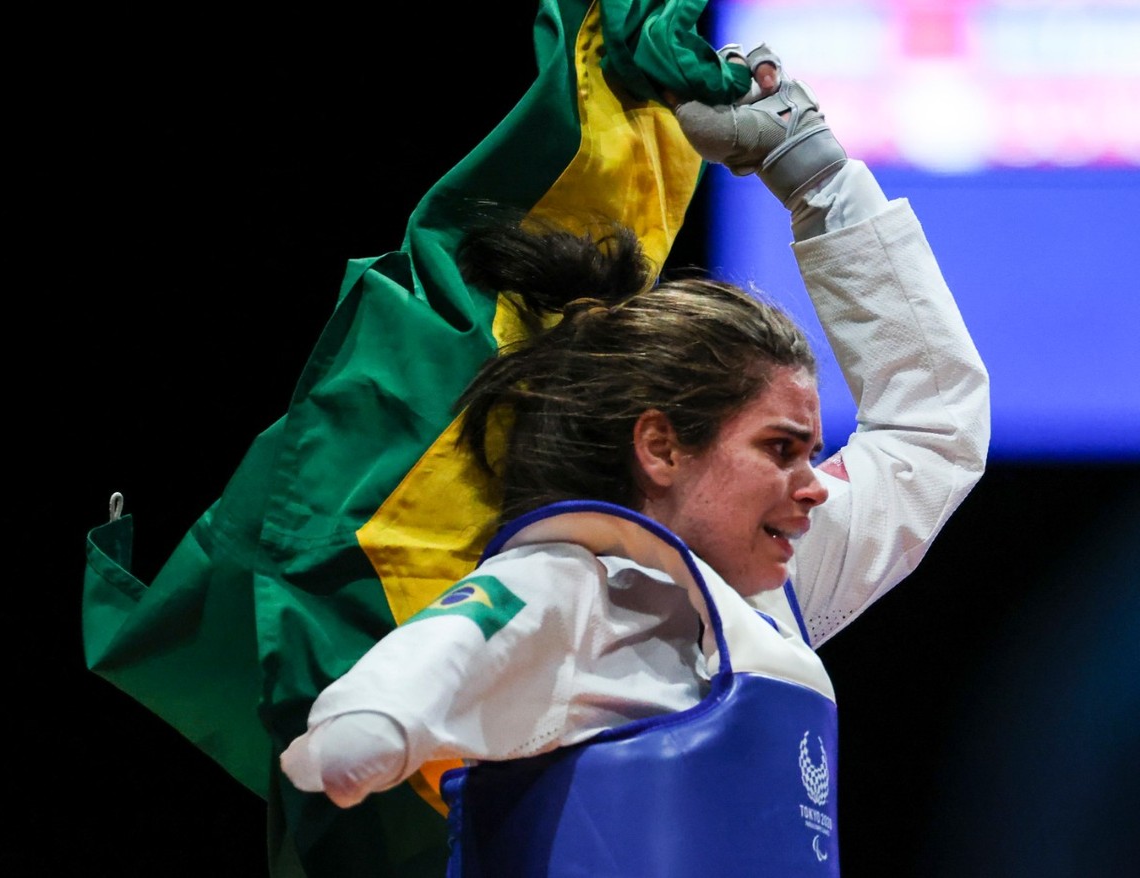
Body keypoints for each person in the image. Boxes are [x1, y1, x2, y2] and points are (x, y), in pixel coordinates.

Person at [279, 41, 990, 875]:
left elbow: (932, 427)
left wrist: (820, 180)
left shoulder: (775, 595)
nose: (811, 489)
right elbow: (439, 658)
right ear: (660, 447)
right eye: (780, 450)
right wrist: (369, 727)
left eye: (812, 454)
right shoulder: (563, 588)